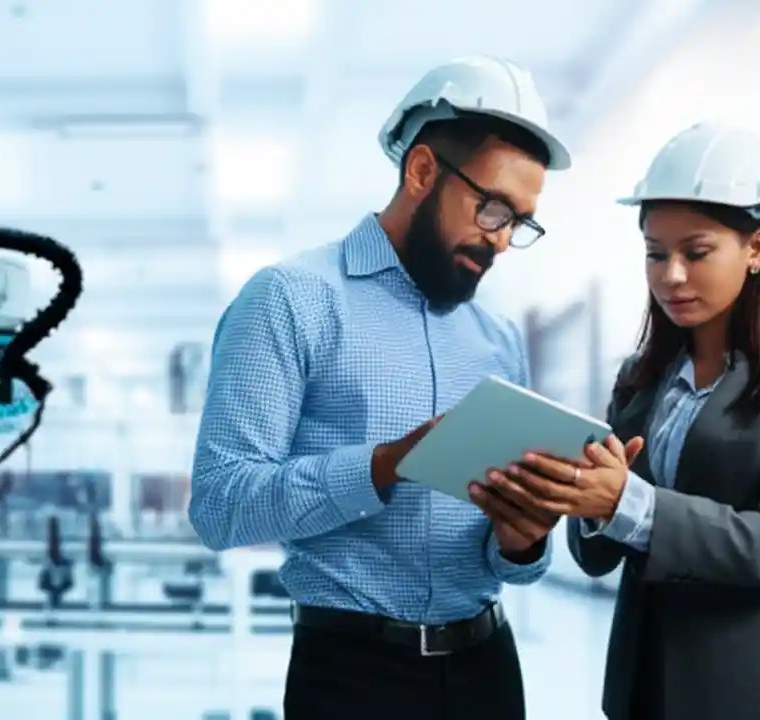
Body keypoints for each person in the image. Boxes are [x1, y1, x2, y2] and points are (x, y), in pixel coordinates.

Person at [188, 55, 573, 719]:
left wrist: (526, 537)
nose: (503, 240)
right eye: (491, 209)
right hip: (352, 680)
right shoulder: (291, 300)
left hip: (488, 672)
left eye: (520, 221)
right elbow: (222, 505)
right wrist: (387, 465)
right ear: (422, 170)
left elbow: (509, 561)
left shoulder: (498, 338)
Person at [489, 121, 760, 719]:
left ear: (757, 249)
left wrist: (626, 503)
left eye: (697, 251)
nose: (671, 275)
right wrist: (573, 499)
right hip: (645, 689)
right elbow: (596, 558)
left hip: (756, 693)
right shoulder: (640, 377)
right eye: (655, 254)